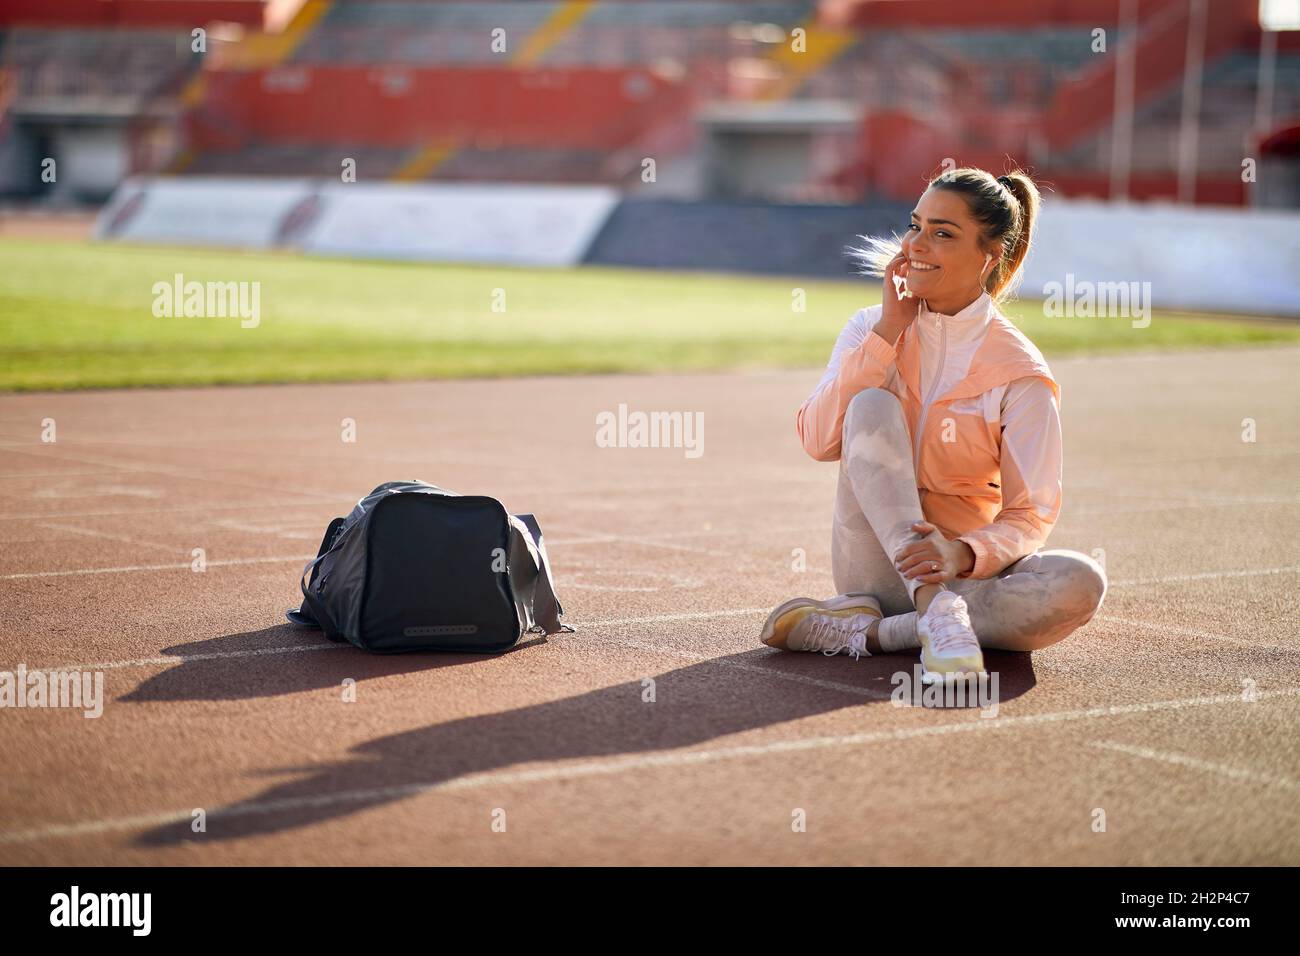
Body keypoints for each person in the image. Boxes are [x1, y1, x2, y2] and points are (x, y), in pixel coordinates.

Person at [760, 167, 1107, 684]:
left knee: (1080, 580)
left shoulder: (1021, 372)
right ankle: (933, 612)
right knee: (870, 404)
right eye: (915, 225)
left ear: (990, 256)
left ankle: (873, 634)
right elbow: (817, 440)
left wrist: (963, 551)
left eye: (943, 233)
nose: (917, 244)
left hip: (961, 572)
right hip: (877, 566)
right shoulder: (869, 328)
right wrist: (888, 331)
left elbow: (1031, 514)